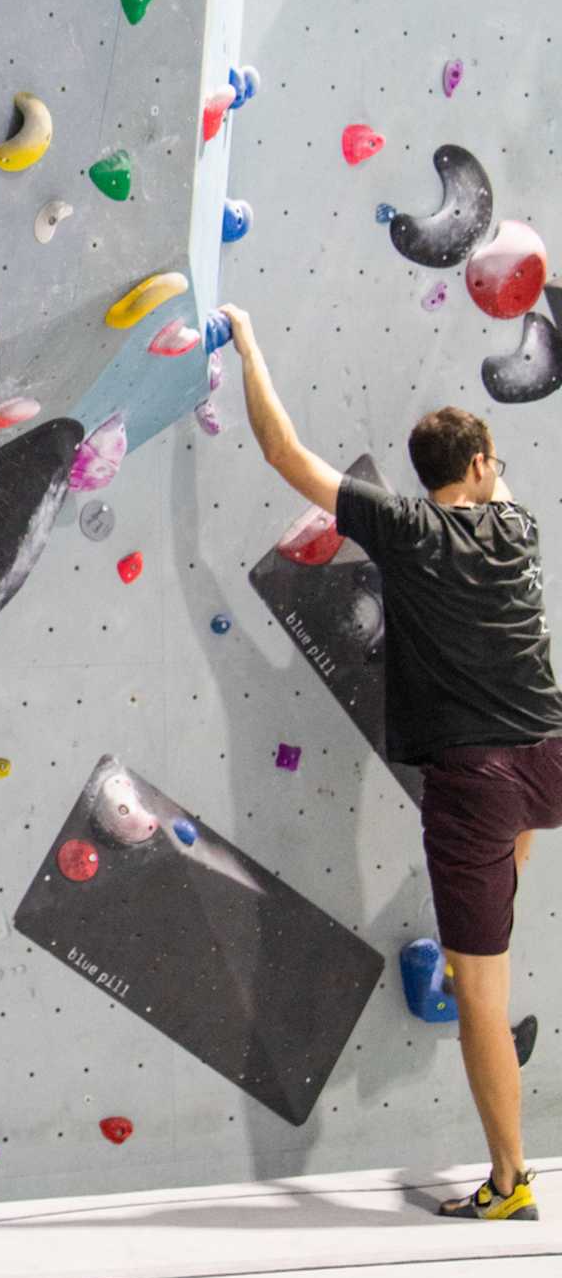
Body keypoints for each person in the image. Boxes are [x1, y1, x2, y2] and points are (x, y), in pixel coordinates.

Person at [224, 305, 561, 1220]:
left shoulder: (407, 530)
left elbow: (287, 454)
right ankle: (497, 894)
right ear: (484, 470)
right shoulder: (517, 527)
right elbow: (491, 479)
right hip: (551, 756)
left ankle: (508, 1183)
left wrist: (252, 345)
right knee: (517, 834)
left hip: (475, 784)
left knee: (481, 994)